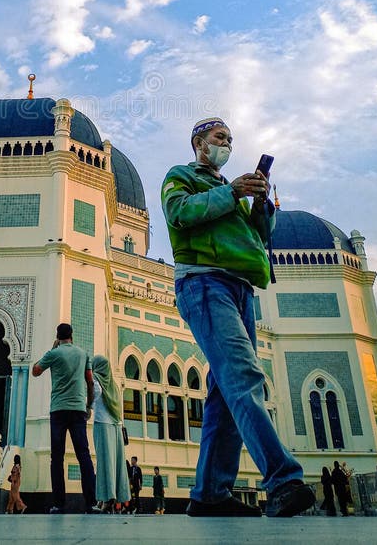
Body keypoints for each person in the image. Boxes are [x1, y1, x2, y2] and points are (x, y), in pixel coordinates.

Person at [161, 117, 316, 519]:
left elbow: (259, 236)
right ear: (199, 143)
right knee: (245, 376)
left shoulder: (232, 194)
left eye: (230, 139)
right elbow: (180, 214)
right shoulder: (182, 176)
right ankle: (283, 480)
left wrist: (261, 204)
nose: (227, 144)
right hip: (205, 283)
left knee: (224, 393)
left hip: (240, 288)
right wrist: (232, 192)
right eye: (219, 138)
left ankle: (210, 492)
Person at [32, 322, 96, 514]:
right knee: (83, 455)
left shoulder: (54, 354)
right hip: (78, 410)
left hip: (58, 410)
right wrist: (88, 405)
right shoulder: (83, 353)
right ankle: (90, 504)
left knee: (57, 458)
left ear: (58, 336)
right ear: (72, 335)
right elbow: (90, 381)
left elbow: (35, 371)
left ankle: (59, 504)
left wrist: (52, 349)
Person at [91, 354, 131, 513]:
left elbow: (93, 397)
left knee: (104, 462)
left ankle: (106, 499)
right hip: (116, 426)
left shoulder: (96, 381)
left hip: (103, 424)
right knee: (116, 463)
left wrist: (87, 405)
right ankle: (108, 498)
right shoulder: (113, 384)